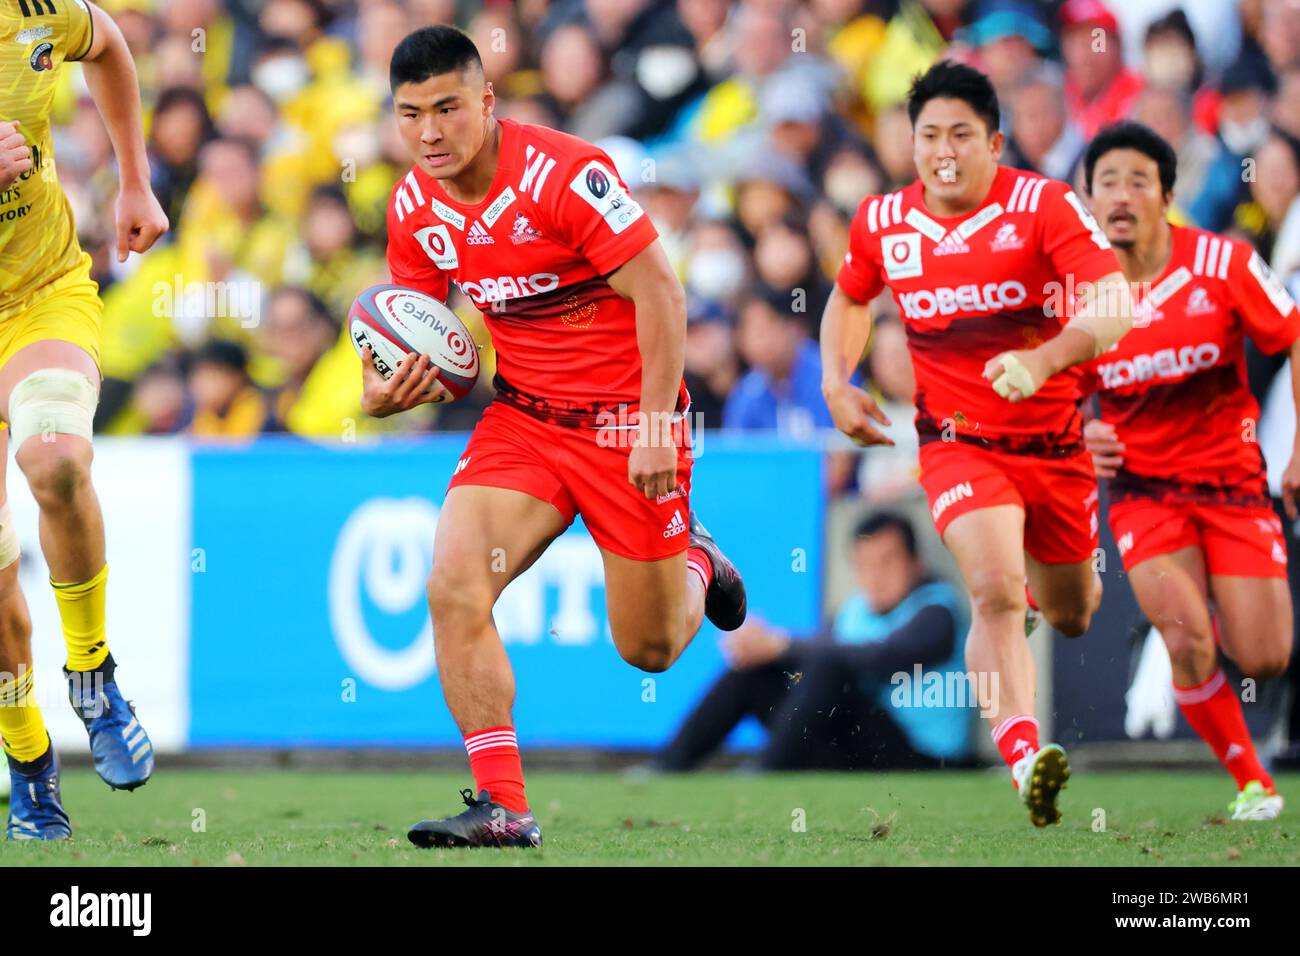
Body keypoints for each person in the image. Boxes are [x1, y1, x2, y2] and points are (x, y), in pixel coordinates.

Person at [364, 25, 747, 849]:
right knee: (452, 587)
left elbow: (663, 296)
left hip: (627, 423)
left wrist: (654, 423)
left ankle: (698, 561)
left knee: (647, 649)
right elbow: (419, 332)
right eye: (410, 115)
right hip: (526, 421)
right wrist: (387, 389)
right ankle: (503, 806)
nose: (429, 133)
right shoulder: (412, 207)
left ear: (487, 101)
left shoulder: (566, 174)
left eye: (447, 108)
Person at [820, 61, 1134, 827]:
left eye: (962, 133)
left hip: (1056, 444)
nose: (943, 149)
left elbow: (1114, 302)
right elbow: (851, 297)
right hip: (959, 445)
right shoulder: (884, 222)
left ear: (996, 142)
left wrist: (1043, 358)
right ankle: (1026, 757)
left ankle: (1037, 601)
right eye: (929, 134)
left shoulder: (1044, 206)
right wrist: (836, 380)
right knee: (992, 592)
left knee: (1072, 610)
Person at [1082, 122, 1300, 821]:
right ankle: (1251, 782)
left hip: (1234, 484)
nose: (1121, 195)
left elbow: (1294, 337)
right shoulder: (1078, 294)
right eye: (1106, 182)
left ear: (1167, 195)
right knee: (1186, 635)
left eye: (1137, 181)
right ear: (1089, 199)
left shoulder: (1225, 263)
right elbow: (1043, 392)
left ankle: (1199, 610)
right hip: (1145, 495)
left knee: (1265, 657)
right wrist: (1080, 433)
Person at [0, 0, 169, 839]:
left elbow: (108, 44)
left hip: (39, 298)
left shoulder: (32, 11)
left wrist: (135, 177)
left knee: (57, 458)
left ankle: (93, 674)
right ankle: (28, 761)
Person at [659, 512, 971, 771]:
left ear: (915, 563)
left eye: (887, 562)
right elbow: (815, 656)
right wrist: (765, 648)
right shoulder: (855, 610)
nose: (875, 576)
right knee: (756, 672)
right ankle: (668, 766)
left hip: (918, 758)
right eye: (865, 565)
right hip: (856, 750)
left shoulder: (938, 609)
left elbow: (883, 657)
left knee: (827, 666)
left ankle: (765, 770)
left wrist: (780, 644)